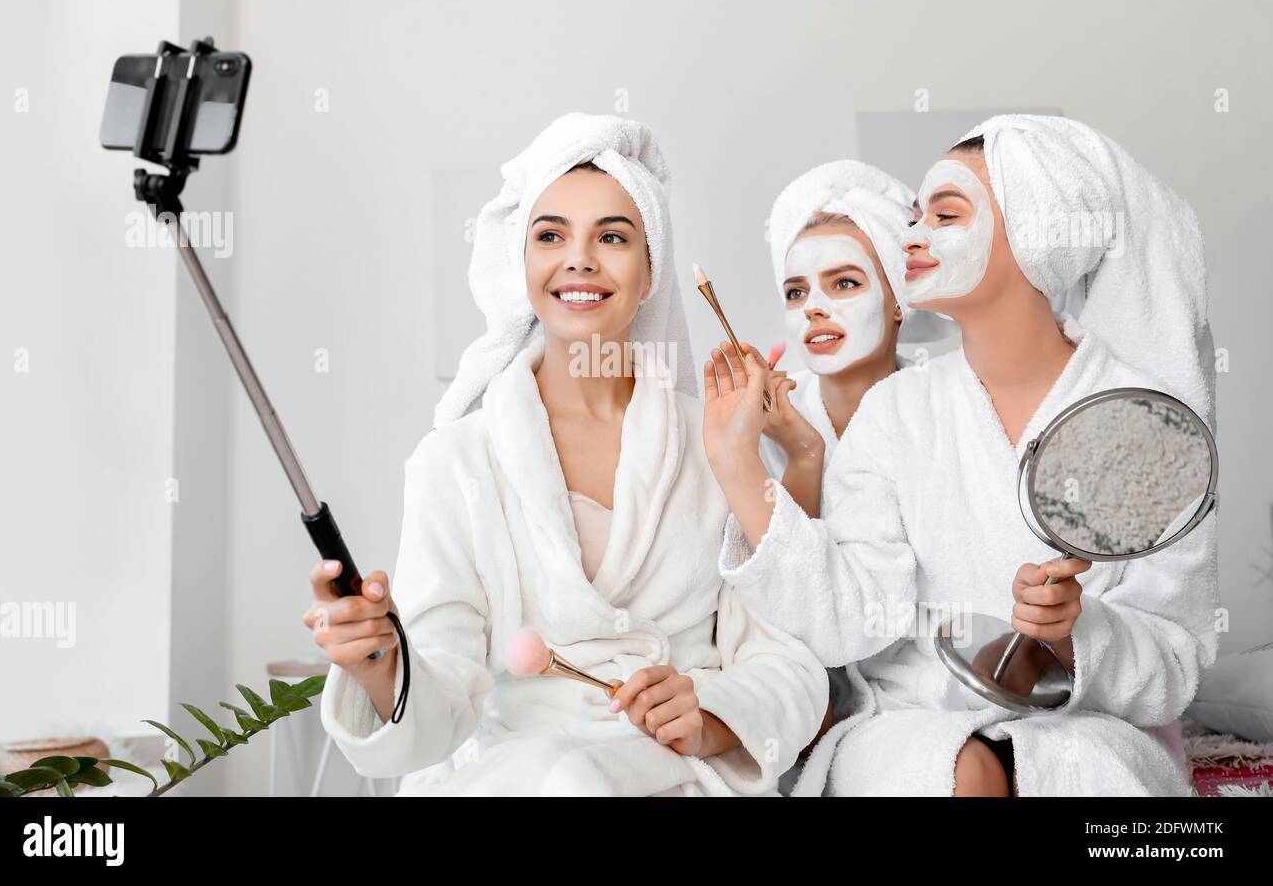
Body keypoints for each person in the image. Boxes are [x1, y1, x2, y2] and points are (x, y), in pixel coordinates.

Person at [307, 113, 827, 796]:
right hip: (511, 778)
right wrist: (381, 665)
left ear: (649, 274)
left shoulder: (718, 449)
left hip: (673, 776)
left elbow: (788, 661)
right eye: (551, 235)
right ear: (524, 267)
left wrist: (714, 717)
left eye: (612, 237)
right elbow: (444, 692)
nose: (579, 258)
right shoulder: (454, 464)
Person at [703, 115, 1219, 796]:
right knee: (956, 772)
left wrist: (1077, 635)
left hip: (1086, 724)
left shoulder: (1143, 420)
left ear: (1038, 232)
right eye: (916, 216)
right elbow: (850, 619)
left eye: (945, 215)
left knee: (1088, 776)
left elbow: (1174, 660)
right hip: (913, 714)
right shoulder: (898, 411)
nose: (912, 236)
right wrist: (740, 466)